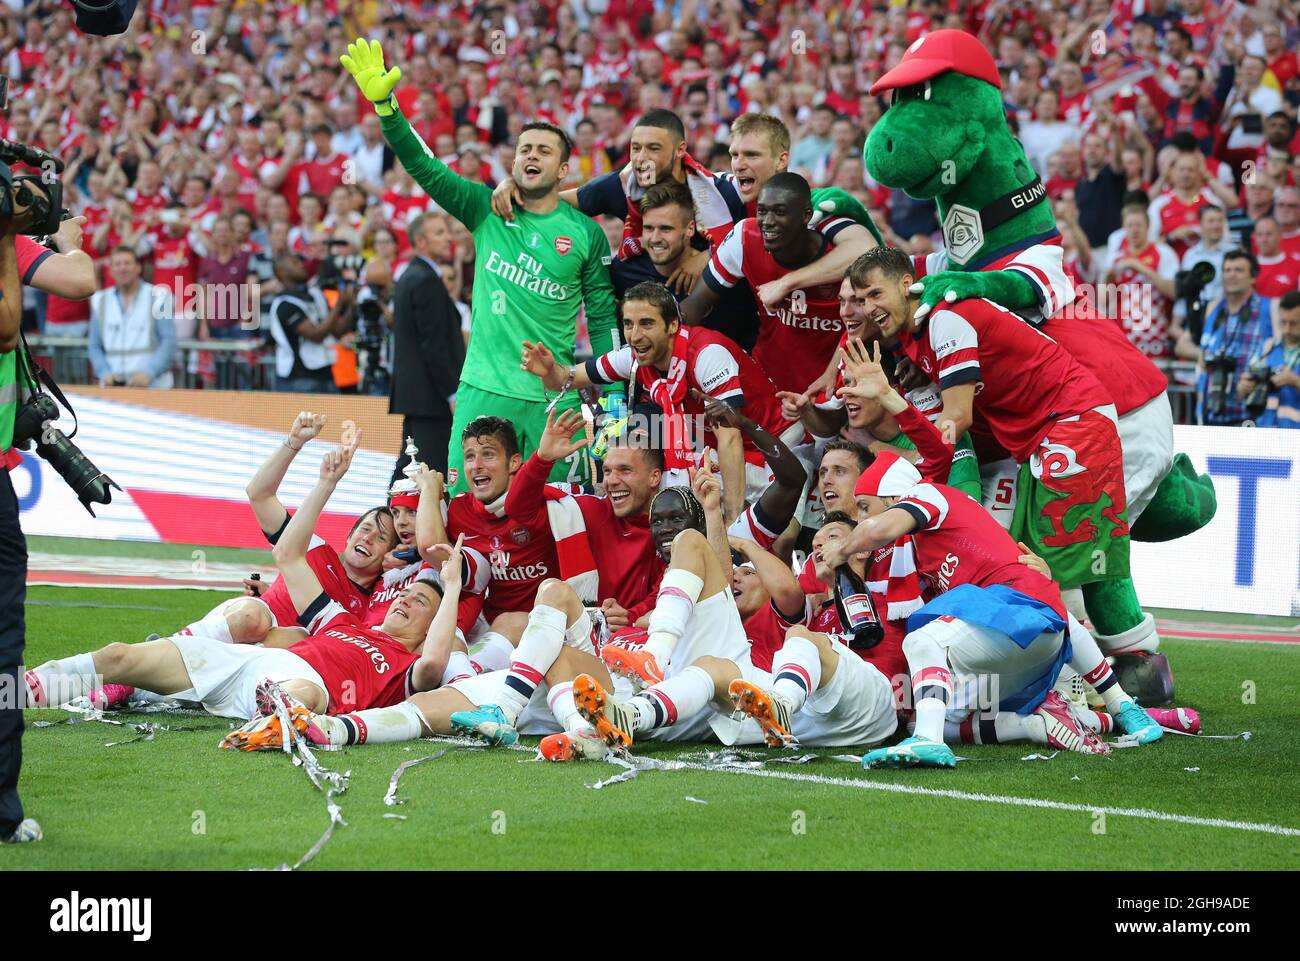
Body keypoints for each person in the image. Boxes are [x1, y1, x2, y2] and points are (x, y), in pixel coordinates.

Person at [26, 433, 455, 736]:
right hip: (242, 658)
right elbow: (286, 553)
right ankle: (23, 691)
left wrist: (448, 586)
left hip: (294, 681)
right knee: (118, 654)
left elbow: (436, 659)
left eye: (418, 602)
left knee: (302, 692)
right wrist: (327, 480)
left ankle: (268, 719)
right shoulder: (344, 620)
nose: (405, 601)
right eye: (407, 594)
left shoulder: (406, 666)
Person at [341, 38, 618, 494]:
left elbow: (605, 321)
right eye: (524, 149)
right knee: (465, 512)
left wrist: (613, 409)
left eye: (543, 151)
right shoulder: (485, 209)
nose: (531, 156)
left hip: (550, 397)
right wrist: (387, 107)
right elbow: (425, 166)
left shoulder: (585, 234)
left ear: (564, 169)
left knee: (551, 516)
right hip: (481, 389)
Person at [820, 454, 1160, 770]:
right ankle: (1085, 717)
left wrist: (842, 550)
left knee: (923, 641)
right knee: (941, 707)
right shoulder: (922, 552)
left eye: (865, 507)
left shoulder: (930, 495)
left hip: (1025, 623)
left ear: (895, 499)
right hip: (1021, 645)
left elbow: (877, 530)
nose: (860, 518)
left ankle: (928, 740)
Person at [521, 280, 792, 520]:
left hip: (774, 444)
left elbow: (730, 439)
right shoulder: (635, 356)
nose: (635, 335)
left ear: (673, 325)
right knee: (654, 490)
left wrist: (734, 521)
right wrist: (548, 371)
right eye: (628, 324)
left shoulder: (707, 354)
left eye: (647, 323)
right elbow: (569, 377)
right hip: (709, 450)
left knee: (765, 533)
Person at [682, 172, 857, 395]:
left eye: (780, 212)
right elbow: (697, 303)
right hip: (766, 385)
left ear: (806, 216)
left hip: (830, 389)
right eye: (762, 211)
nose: (768, 221)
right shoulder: (745, 238)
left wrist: (785, 284)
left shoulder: (842, 254)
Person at [389, 213, 465, 482]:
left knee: (410, 468)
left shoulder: (412, 275)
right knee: (426, 474)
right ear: (420, 241)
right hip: (431, 398)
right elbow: (433, 345)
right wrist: (452, 393)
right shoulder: (425, 279)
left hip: (420, 395)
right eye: (439, 233)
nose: (448, 238)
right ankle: (386, 520)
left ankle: (386, 519)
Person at [1194, 250, 1280, 426]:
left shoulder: (1270, 307)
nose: (1232, 275)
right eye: (1227, 270)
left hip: (1251, 414)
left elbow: (1281, 352)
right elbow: (1199, 349)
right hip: (1211, 410)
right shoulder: (1213, 307)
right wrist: (1202, 358)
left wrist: (1257, 375)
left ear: (1253, 277)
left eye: (1239, 270)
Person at [87, 246, 177, 388]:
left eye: (127, 263)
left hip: (154, 386)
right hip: (114, 387)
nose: (123, 268)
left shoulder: (160, 296)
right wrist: (104, 373)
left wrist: (150, 373)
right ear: (111, 270)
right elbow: (94, 345)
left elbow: (169, 341)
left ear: (138, 268)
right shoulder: (100, 300)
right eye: (117, 264)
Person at [266, 252, 338, 393]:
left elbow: (337, 330)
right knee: (304, 416)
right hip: (298, 377)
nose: (301, 265)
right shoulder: (284, 304)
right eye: (294, 262)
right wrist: (340, 305)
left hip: (326, 371)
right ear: (282, 272)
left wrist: (349, 306)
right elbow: (316, 335)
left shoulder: (316, 295)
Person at [1238, 291, 1300, 429]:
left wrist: (1295, 381)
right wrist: (1243, 387)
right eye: (1283, 322)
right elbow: (1241, 391)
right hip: (1266, 435)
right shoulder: (1266, 347)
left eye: (1294, 323)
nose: (1287, 329)